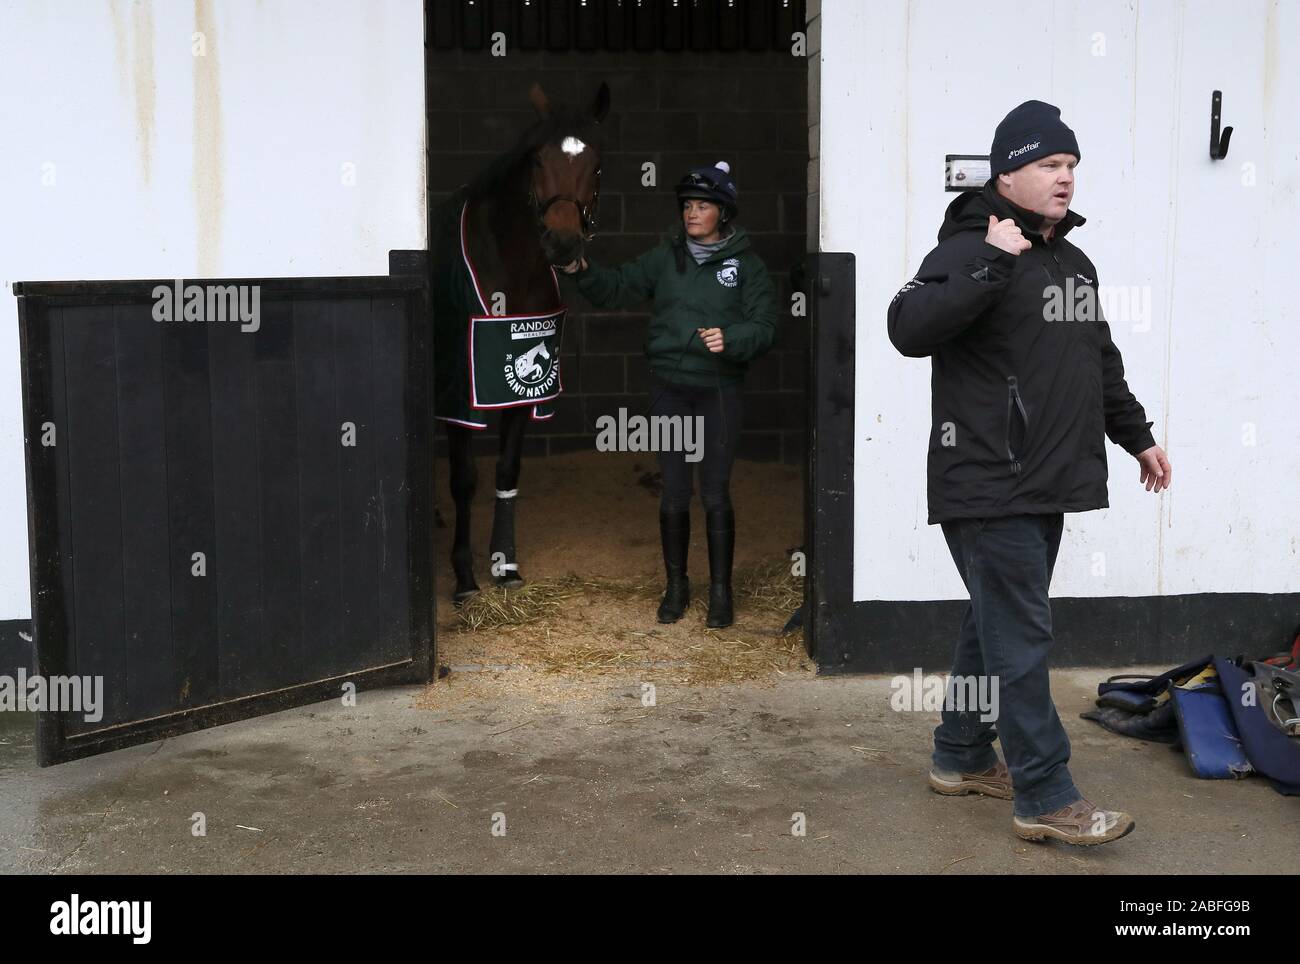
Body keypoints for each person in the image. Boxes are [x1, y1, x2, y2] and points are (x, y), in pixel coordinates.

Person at [887, 101, 1172, 846]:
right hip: (986, 479)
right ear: (1006, 174)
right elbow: (906, 328)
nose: (1065, 179)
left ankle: (961, 754)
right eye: (1049, 165)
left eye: (1071, 166)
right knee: (1022, 638)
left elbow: (1097, 361)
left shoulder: (1073, 264)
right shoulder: (967, 248)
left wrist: (1137, 437)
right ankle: (1045, 794)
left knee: (995, 626)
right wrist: (993, 259)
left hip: (1046, 481)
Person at [561, 161, 777, 629]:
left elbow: (765, 326)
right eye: (687, 205)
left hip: (719, 390)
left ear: (723, 211)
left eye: (702, 206)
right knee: (675, 493)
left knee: (715, 492)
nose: (691, 213)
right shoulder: (665, 256)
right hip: (669, 389)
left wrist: (732, 338)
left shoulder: (748, 266)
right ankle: (676, 587)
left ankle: (721, 592)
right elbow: (617, 288)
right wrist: (581, 269)